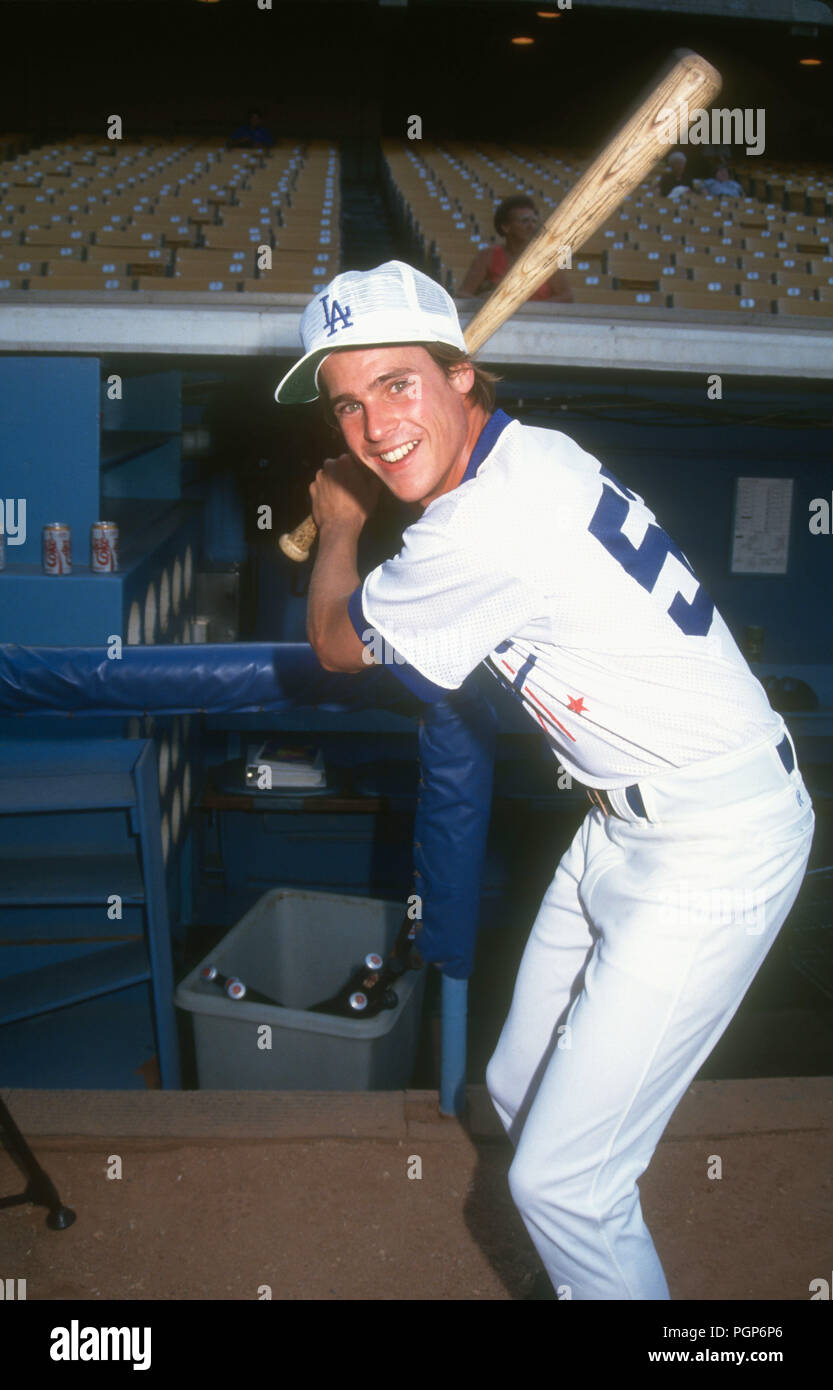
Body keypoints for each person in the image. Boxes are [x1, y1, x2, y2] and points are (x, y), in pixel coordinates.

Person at [274, 260, 815, 1300]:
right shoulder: (532, 454)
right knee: (519, 1089)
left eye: (398, 384)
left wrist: (339, 525)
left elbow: (338, 647)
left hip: (713, 842)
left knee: (559, 1183)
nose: (373, 424)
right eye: (349, 402)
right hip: (620, 819)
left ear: (460, 376)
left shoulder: (482, 524)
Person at [459, 194, 572, 301]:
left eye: (534, 221)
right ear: (506, 227)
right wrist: (485, 303)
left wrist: (528, 308)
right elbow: (463, 294)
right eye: (524, 221)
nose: (531, 226)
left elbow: (567, 297)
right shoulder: (487, 256)